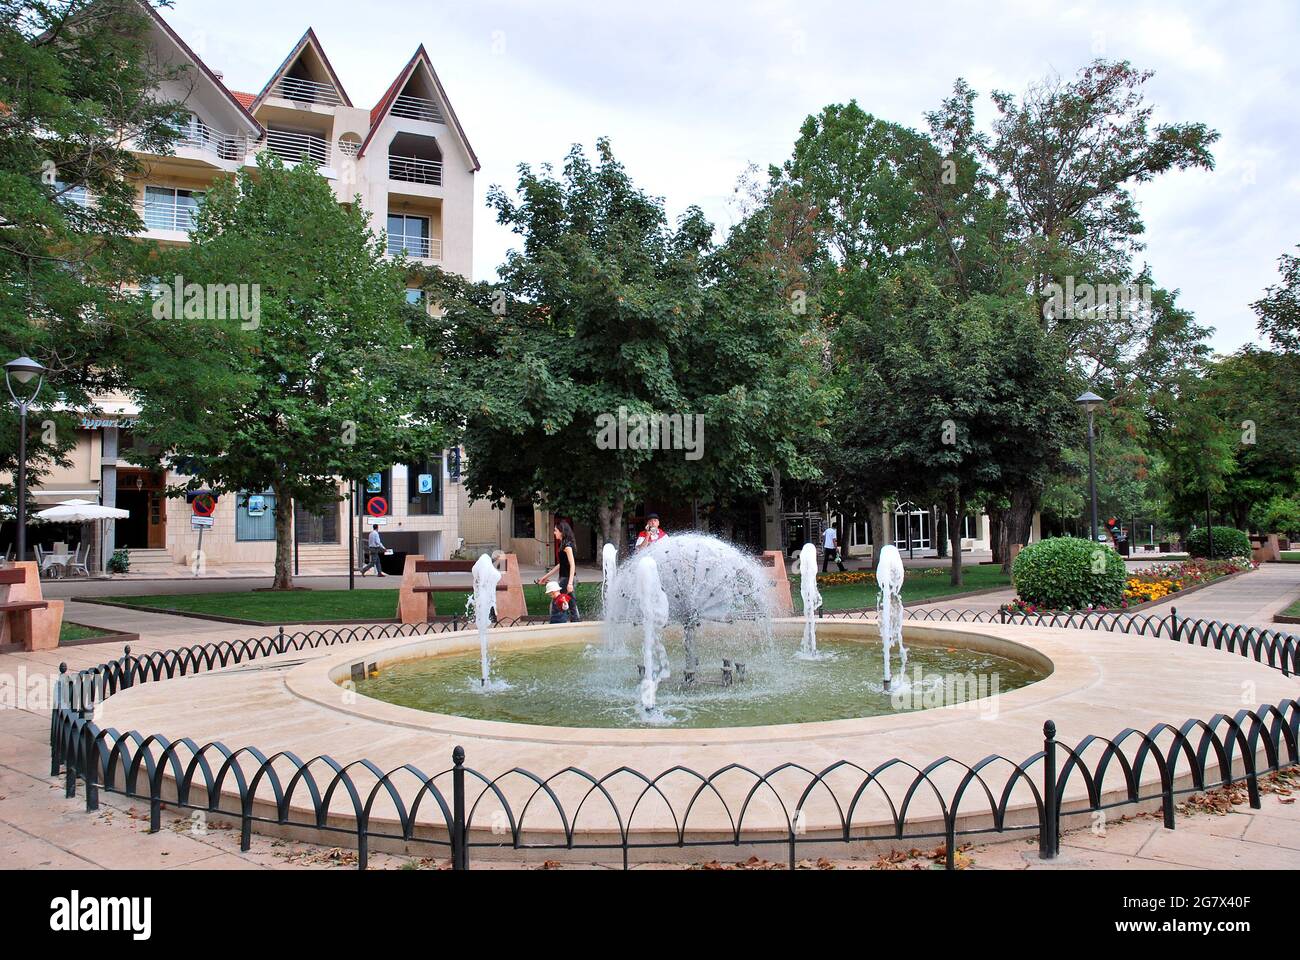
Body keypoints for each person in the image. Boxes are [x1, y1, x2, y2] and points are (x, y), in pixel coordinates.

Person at [535, 518, 580, 621]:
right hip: (565, 578)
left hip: (568, 578)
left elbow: (572, 565)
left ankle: (558, 623)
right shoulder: (563, 545)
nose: (554, 532)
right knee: (571, 602)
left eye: (555, 530)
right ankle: (575, 622)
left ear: (561, 531)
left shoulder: (567, 546)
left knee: (557, 601)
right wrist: (545, 577)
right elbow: (561, 564)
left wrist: (569, 583)